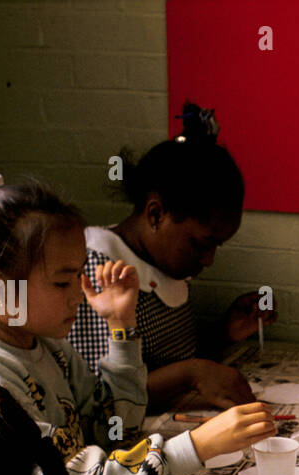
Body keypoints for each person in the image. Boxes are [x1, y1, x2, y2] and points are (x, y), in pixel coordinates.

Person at [0, 168, 275, 475]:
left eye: (78, 277)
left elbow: (115, 427)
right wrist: (195, 447)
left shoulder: (48, 347)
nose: (78, 297)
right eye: (61, 283)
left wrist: (120, 328)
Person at [69, 102, 273, 410]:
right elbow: (104, 398)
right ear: (156, 214)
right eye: (201, 243)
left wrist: (223, 333)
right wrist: (192, 374)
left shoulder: (165, 260)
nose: (209, 260)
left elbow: (169, 355)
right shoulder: (99, 268)